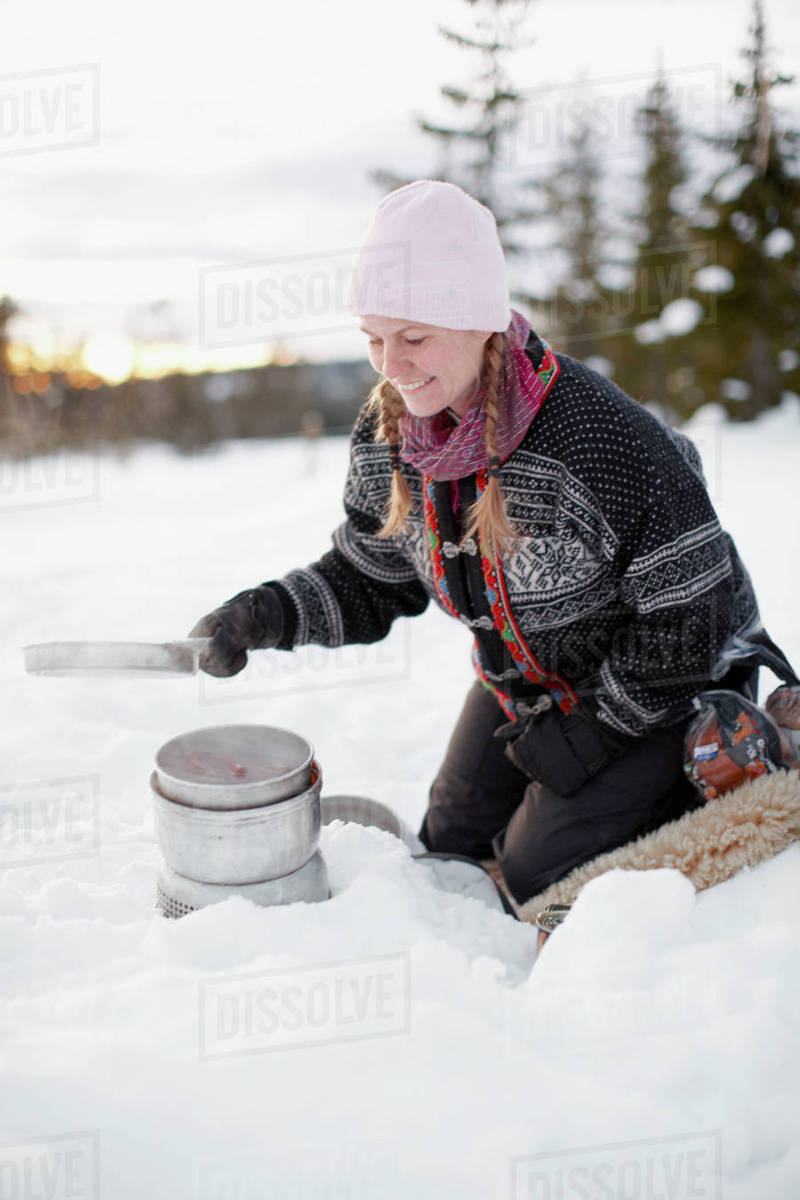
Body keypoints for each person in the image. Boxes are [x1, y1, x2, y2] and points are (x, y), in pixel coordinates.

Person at [188, 179, 793, 907]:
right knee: (454, 847)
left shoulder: (596, 436)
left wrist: (592, 734)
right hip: (530, 676)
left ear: (480, 322)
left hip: (672, 681)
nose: (391, 365)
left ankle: (748, 753)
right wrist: (261, 617)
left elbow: (692, 615)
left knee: (537, 869)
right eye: (374, 339)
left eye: (414, 338)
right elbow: (373, 574)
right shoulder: (393, 435)